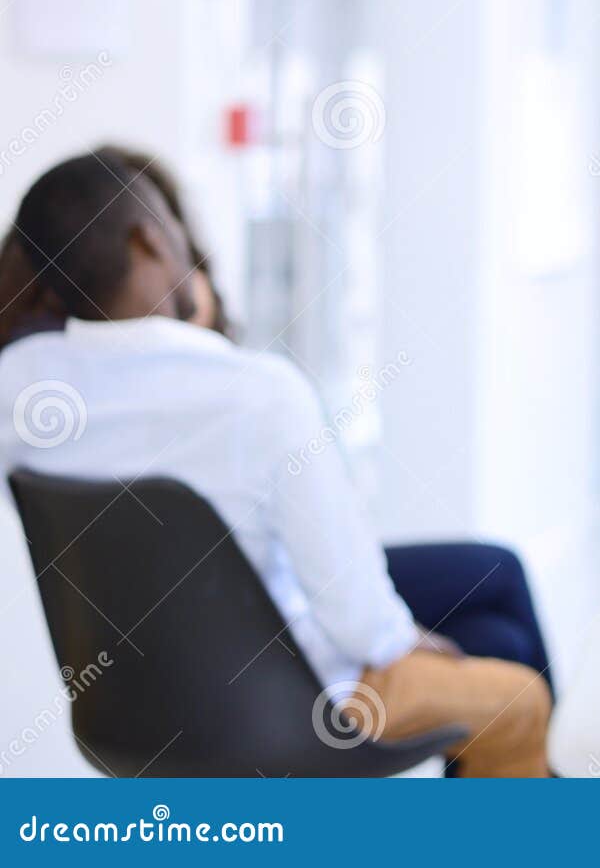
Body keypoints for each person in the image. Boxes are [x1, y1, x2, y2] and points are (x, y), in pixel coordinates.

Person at [0, 150, 551, 775]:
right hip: (291, 708)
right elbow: (354, 618)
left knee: (493, 611)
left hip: (134, 712)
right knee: (518, 698)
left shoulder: (20, 390)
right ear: (149, 242)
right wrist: (402, 641)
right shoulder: (258, 391)